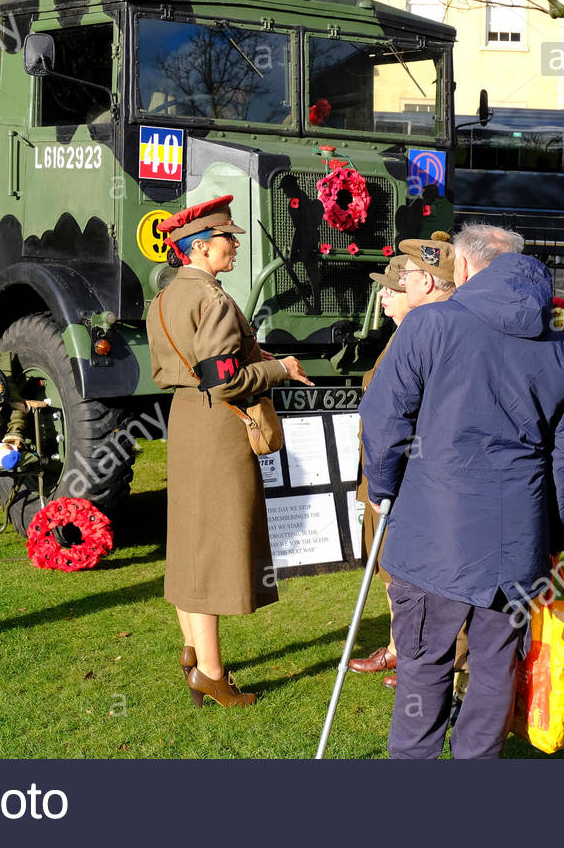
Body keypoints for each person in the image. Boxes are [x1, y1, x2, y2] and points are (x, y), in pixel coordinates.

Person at [361, 224, 564, 759]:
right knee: (492, 668)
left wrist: (383, 488)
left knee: (425, 667)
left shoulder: (431, 325)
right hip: (511, 538)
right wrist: (554, 532)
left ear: (462, 269)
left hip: (434, 534)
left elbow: (383, 416)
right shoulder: (558, 348)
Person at [148, 195, 312, 707]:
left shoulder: (164, 297)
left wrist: (251, 354)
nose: (235, 244)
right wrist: (279, 369)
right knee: (216, 547)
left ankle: (194, 653)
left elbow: (200, 365)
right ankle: (212, 675)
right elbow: (225, 382)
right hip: (218, 425)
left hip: (185, 418)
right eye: (227, 238)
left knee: (190, 540)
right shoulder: (214, 299)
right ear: (199, 247)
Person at [350, 236, 457, 690]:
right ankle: (402, 649)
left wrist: (384, 481)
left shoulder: (429, 331)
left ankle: (424, 659)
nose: (387, 296)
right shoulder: (407, 332)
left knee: (414, 577)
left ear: (427, 283)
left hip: (408, 478)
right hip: (388, 472)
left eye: (399, 284)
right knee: (395, 572)